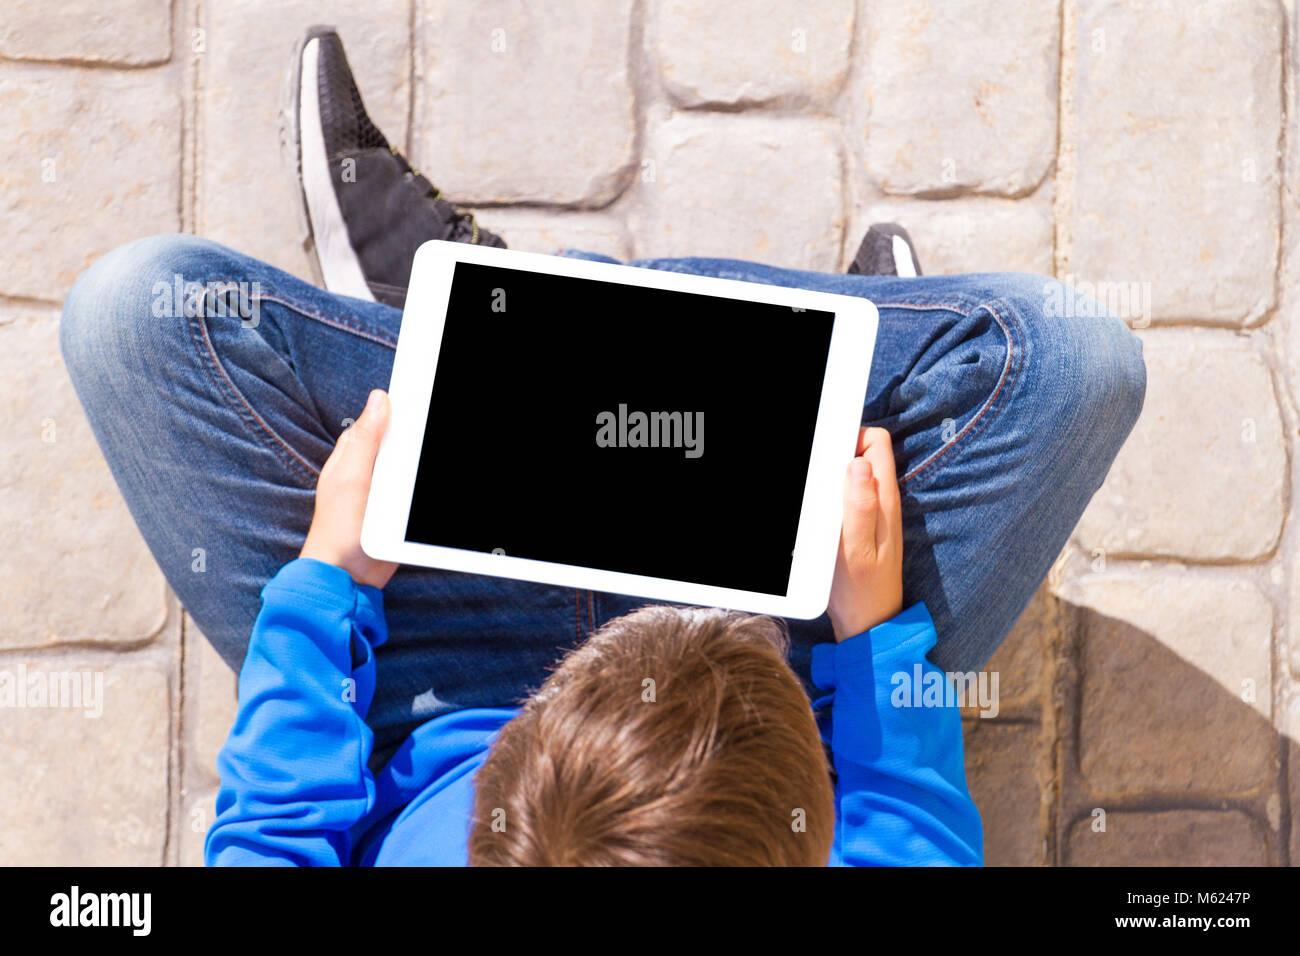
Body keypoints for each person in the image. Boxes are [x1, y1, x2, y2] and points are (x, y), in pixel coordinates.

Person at [58, 27, 1146, 865]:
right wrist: (872, 642)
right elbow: (908, 835)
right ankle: (772, 386)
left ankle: (462, 321)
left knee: (137, 315)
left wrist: (326, 585)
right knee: (1069, 359)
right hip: (765, 678)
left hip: (421, 683)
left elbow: (275, 836)